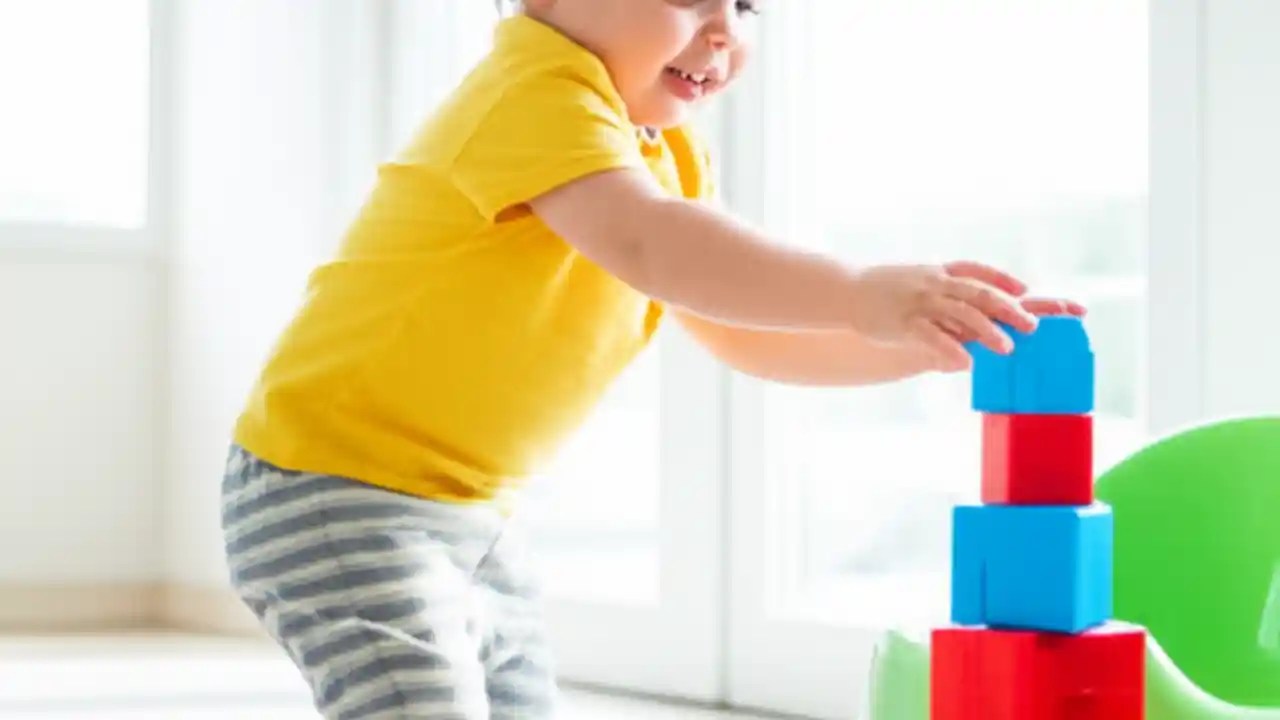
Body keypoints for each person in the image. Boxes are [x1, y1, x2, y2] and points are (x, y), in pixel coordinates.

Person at [220, 0, 1086, 717]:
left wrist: (918, 344)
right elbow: (651, 243)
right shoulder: (532, 93)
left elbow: (741, 329)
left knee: (517, 703)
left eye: (745, 5)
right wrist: (862, 291)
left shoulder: (660, 149)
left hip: (474, 511)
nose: (722, 30)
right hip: (336, 487)